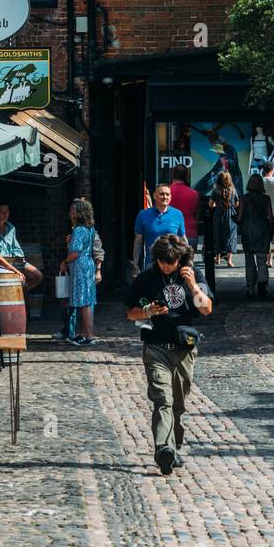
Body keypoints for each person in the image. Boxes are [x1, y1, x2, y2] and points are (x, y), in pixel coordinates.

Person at [125, 234, 213, 476]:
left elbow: (206, 309)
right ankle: (163, 449)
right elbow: (130, 314)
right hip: (156, 347)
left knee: (178, 404)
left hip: (184, 349)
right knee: (162, 399)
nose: (166, 265)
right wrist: (147, 311)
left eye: (171, 261)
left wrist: (193, 285)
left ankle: (174, 447)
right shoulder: (146, 278)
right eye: (162, 261)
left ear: (180, 259)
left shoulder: (193, 275)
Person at [60, 198, 99, 345]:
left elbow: (75, 253)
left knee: (84, 302)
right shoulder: (89, 229)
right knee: (86, 301)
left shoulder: (78, 229)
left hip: (80, 267)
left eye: (72, 210)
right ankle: (83, 334)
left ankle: (89, 336)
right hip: (87, 265)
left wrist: (65, 261)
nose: (70, 213)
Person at [58, 229, 105, 342]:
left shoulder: (88, 231)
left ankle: (88, 335)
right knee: (78, 303)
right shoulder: (76, 230)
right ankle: (80, 334)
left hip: (83, 270)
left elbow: (98, 252)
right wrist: (70, 242)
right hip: (76, 271)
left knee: (85, 303)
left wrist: (98, 270)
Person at [132, 184, 186, 275]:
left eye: (167, 194)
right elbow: (138, 242)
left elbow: (183, 240)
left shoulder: (177, 214)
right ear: (154, 196)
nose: (165, 197)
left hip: (173, 265)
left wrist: (187, 262)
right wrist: (135, 265)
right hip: (152, 265)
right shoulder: (143, 215)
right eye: (161, 194)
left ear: (170, 197)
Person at [237, 173, 273, 299]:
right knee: (262, 260)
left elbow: (239, 217)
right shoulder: (266, 198)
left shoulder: (243, 198)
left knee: (249, 260)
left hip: (247, 232)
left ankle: (250, 288)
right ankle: (262, 283)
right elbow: (270, 217)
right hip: (262, 231)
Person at [0, 203, 43, 292]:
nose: (5, 214)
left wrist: (20, 258)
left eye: (7, 211)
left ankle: (18, 294)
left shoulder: (11, 227)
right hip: (1, 264)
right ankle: (14, 295)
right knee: (16, 279)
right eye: (2, 211)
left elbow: (16, 248)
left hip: (14, 262)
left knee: (38, 276)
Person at [210, 170, 239, 268]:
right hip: (231, 215)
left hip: (219, 214)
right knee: (231, 236)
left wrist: (217, 205)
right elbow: (237, 203)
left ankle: (217, 258)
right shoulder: (233, 190)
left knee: (218, 235)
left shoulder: (216, 190)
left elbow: (211, 204)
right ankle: (229, 260)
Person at [168, 166, 200, 250]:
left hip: (169, 233)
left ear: (172, 175)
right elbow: (197, 214)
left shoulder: (166, 192)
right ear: (186, 176)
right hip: (190, 233)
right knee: (187, 262)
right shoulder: (194, 193)